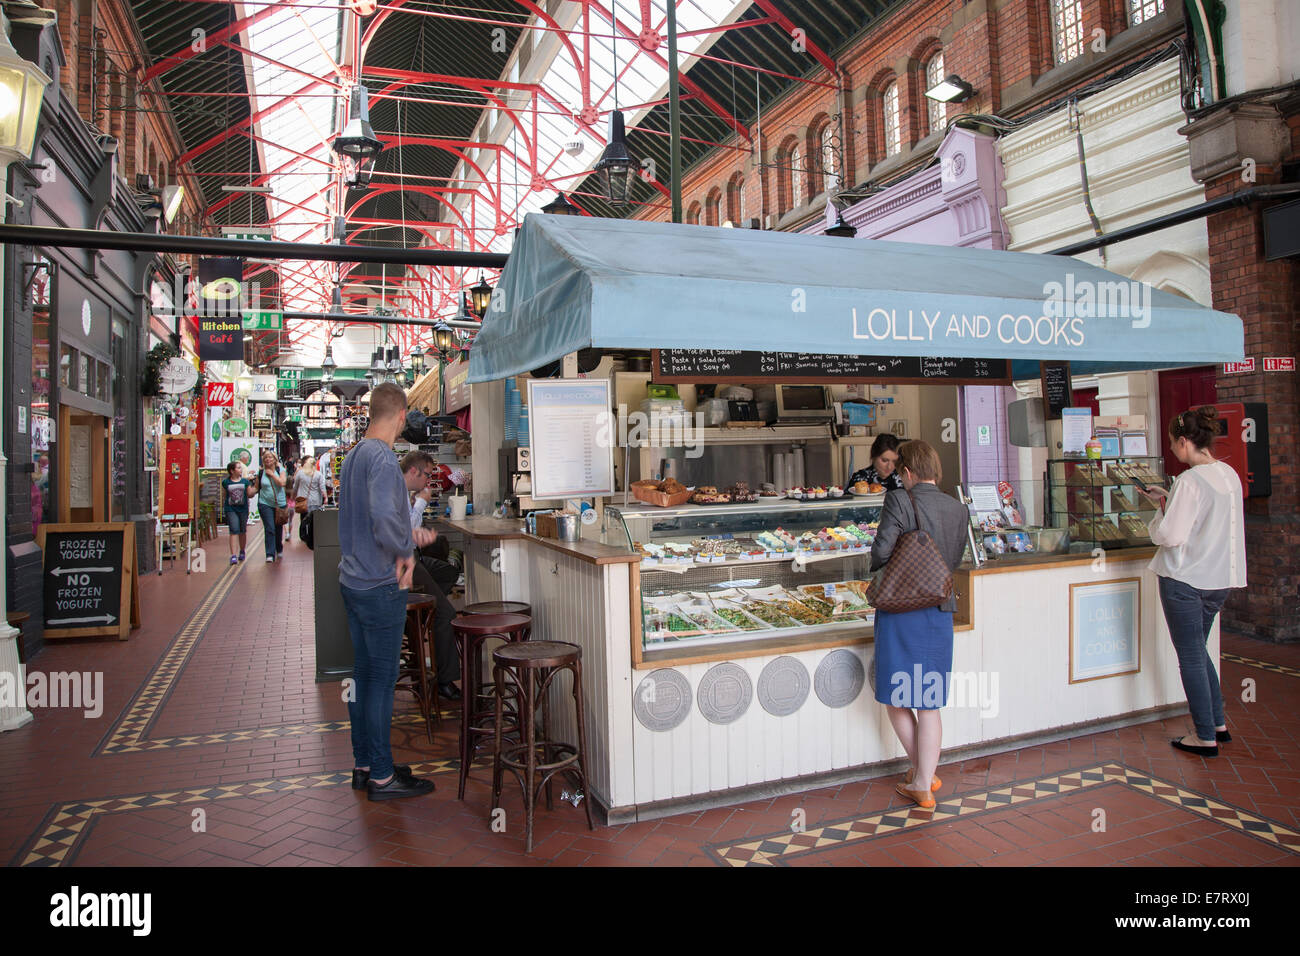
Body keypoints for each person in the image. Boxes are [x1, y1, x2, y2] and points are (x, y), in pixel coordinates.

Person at [340, 383, 438, 801]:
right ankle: (382, 776)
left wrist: (407, 535)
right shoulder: (381, 458)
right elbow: (382, 519)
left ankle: (365, 763)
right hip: (381, 585)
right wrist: (406, 549)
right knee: (380, 682)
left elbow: (372, 518)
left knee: (363, 677)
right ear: (400, 415)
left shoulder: (355, 456)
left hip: (353, 582)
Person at [868, 439, 970, 809]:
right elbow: (952, 559)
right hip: (939, 610)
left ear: (907, 472)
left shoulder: (899, 499)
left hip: (901, 610)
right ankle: (924, 776)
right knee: (929, 702)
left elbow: (880, 553)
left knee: (895, 698)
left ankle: (922, 780)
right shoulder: (958, 509)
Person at [1140, 406, 1247, 758]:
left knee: (1189, 657)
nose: (1172, 450)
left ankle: (1204, 736)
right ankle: (1217, 723)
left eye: (1173, 443)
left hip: (1185, 582)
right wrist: (1167, 499)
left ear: (1185, 441)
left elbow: (1169, 536)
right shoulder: (1228, 474)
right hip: (1219, 582)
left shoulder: (1189, 480)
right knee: (1199, 651)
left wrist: (1158, 512)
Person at [400, 451, 461, 702]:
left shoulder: (400, 491)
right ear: (413, 471)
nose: (428, 481)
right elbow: (408, 532)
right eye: (427, 475)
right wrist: (422, 502)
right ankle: (445, 681)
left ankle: (423, 616)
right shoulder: (398, 492)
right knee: (447, 614)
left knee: (449, 570)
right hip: (402, 562)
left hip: (408, 558)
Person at [256, 450, 288, 562]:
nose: (267, 459)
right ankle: (269, 554)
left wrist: (272, 474)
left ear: (274, 459)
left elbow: (282, 483)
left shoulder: (281, 470)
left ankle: (278, 548)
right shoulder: (260, 473)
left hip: (280, 504)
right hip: (265, 503)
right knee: (269, 528)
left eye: (270, 457)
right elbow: (256, 488)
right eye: (265, 458)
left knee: (278, 528)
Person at [221, 461, 253, 564]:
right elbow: (224, 495)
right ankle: (233, 555)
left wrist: (256, 487)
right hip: (231, 509)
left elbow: (249, 494)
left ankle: (242, 550)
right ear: (232, 471)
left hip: (243, 509)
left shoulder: (245, 482)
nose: (241, 470)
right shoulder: (226, 482)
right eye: (238, 468)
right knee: (234, 530)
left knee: (242, 530)